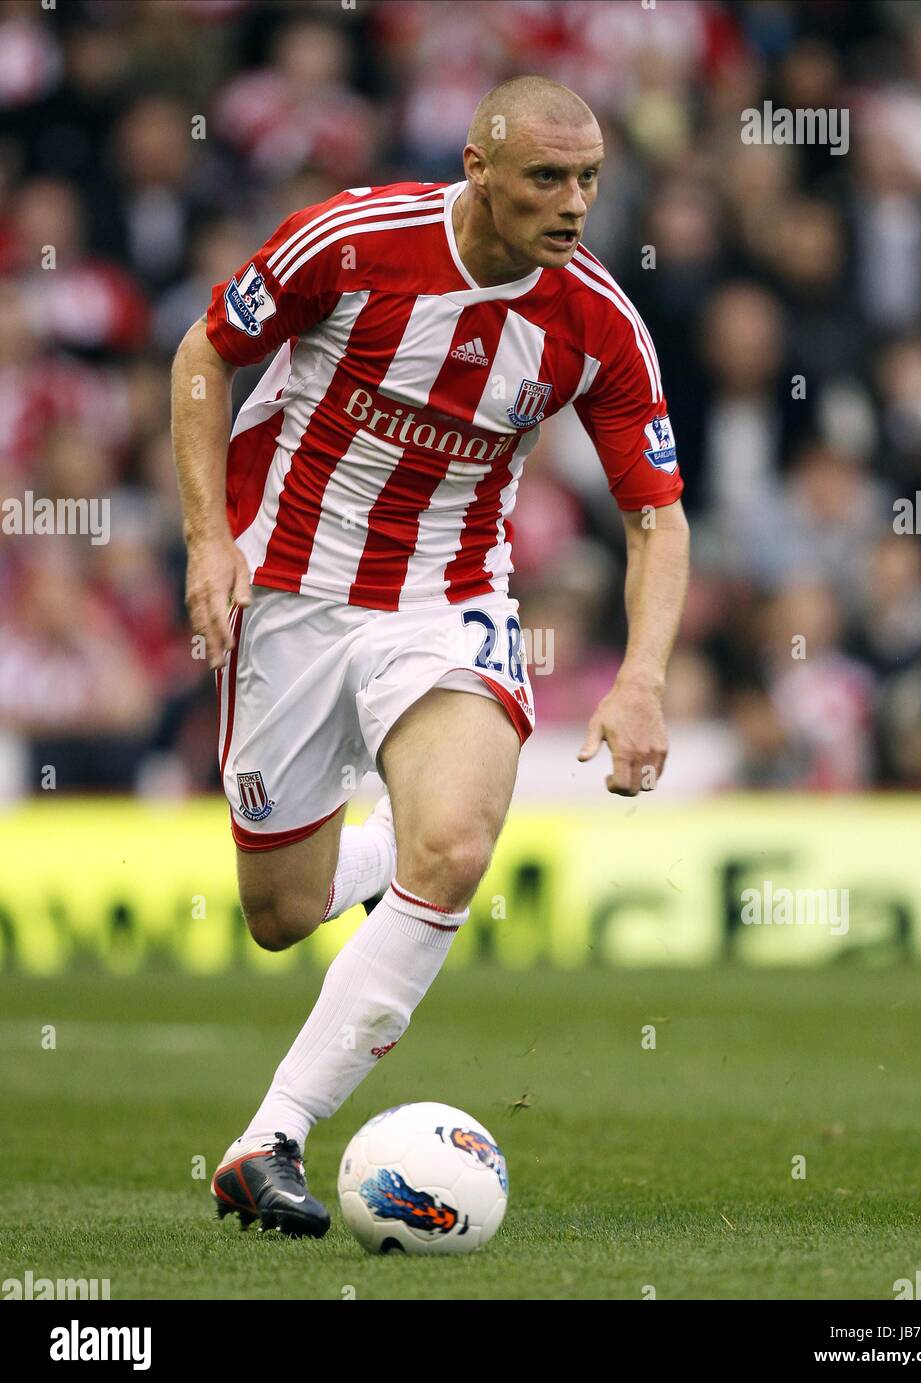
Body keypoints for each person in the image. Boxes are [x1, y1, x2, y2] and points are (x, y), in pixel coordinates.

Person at [170, 75, 689, 1238]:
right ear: (477, 169)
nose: (574, 203)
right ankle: (371, 854)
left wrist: (643, 677)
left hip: (448, 599)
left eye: (589, 179)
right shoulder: (352, 241)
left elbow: (656, 516)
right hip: (290, 592)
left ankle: (268, 1139)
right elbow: (204, 355)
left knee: (453, 848)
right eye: (547, 178)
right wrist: (208, 539)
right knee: (281, 913)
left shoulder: (599, 322)